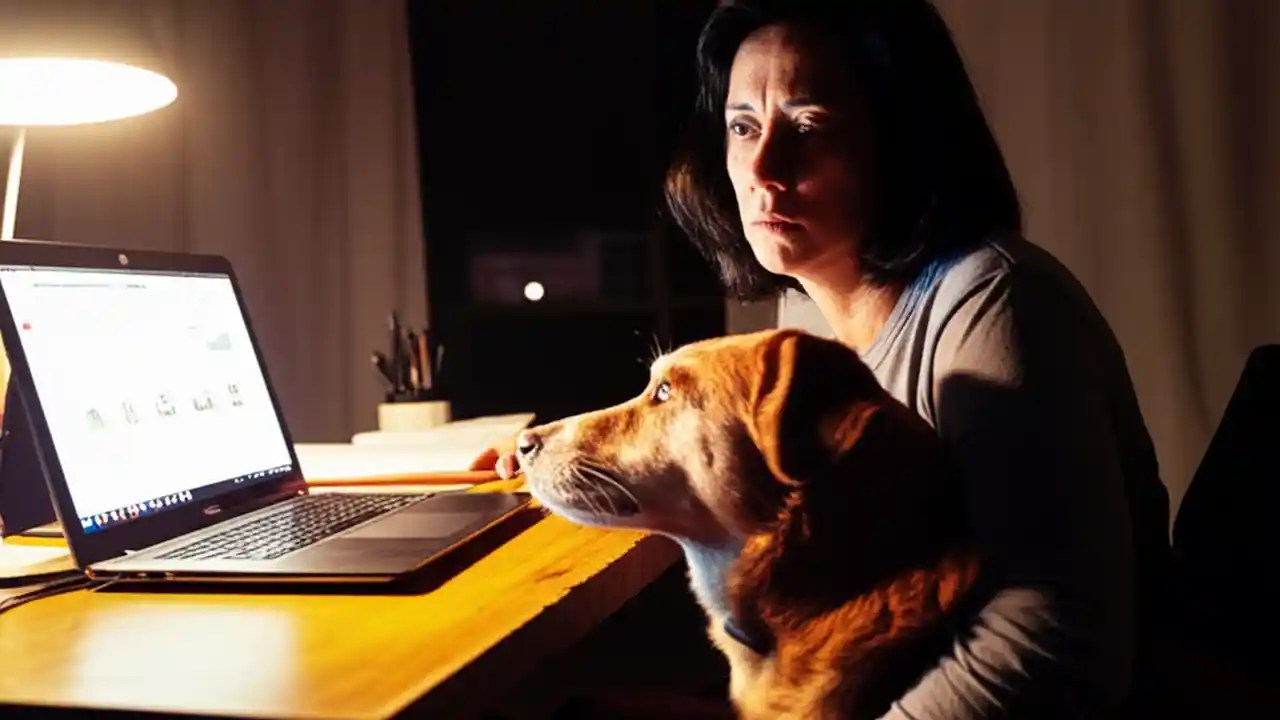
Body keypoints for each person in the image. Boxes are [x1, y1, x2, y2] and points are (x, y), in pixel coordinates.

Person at [492, 0, 1174, 716]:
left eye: (808, 125)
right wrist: (555, 459)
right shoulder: (806, 316)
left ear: (902, 141)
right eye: (743, 127)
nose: (762, 168)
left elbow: (1054, 649)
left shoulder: (994, 302)